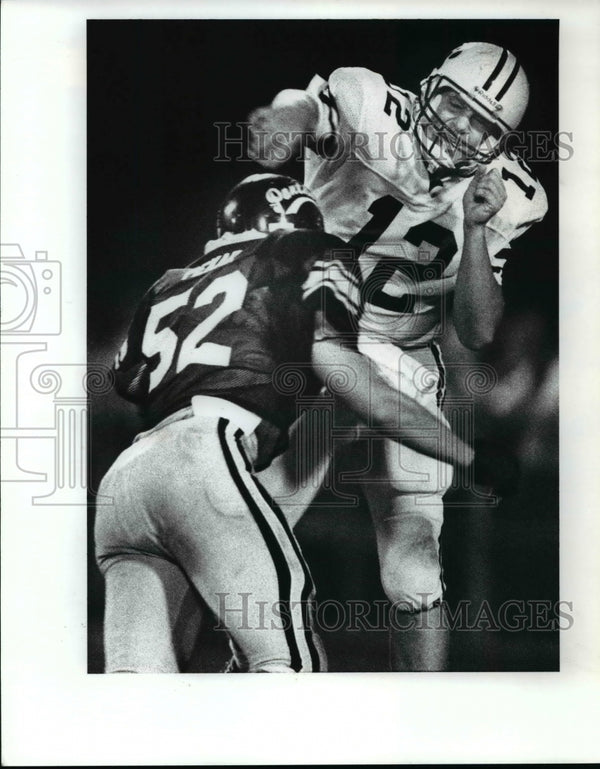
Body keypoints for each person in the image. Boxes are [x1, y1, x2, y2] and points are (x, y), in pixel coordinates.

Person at [95, 172, 500, 674]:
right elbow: (357, 383)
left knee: (136, 693)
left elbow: (127, 381)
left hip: (125, 481)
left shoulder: (170, 281)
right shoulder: (306, 252)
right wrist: (467, 454)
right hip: (207, 456)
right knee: (289, 667)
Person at [248, 42, 548, 670]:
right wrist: (284, 118)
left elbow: (478, 331)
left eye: (483, 126)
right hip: (315, 343)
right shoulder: (370, 105)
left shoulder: (509, 194)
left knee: (414, 570)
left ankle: (424, 719)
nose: (461, 130)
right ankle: (231, 683)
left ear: (501, 144)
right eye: (453, 107)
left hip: (407, 359)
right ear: (427, 86)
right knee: (253, 526)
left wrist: (472, 229)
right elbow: (308, 108)